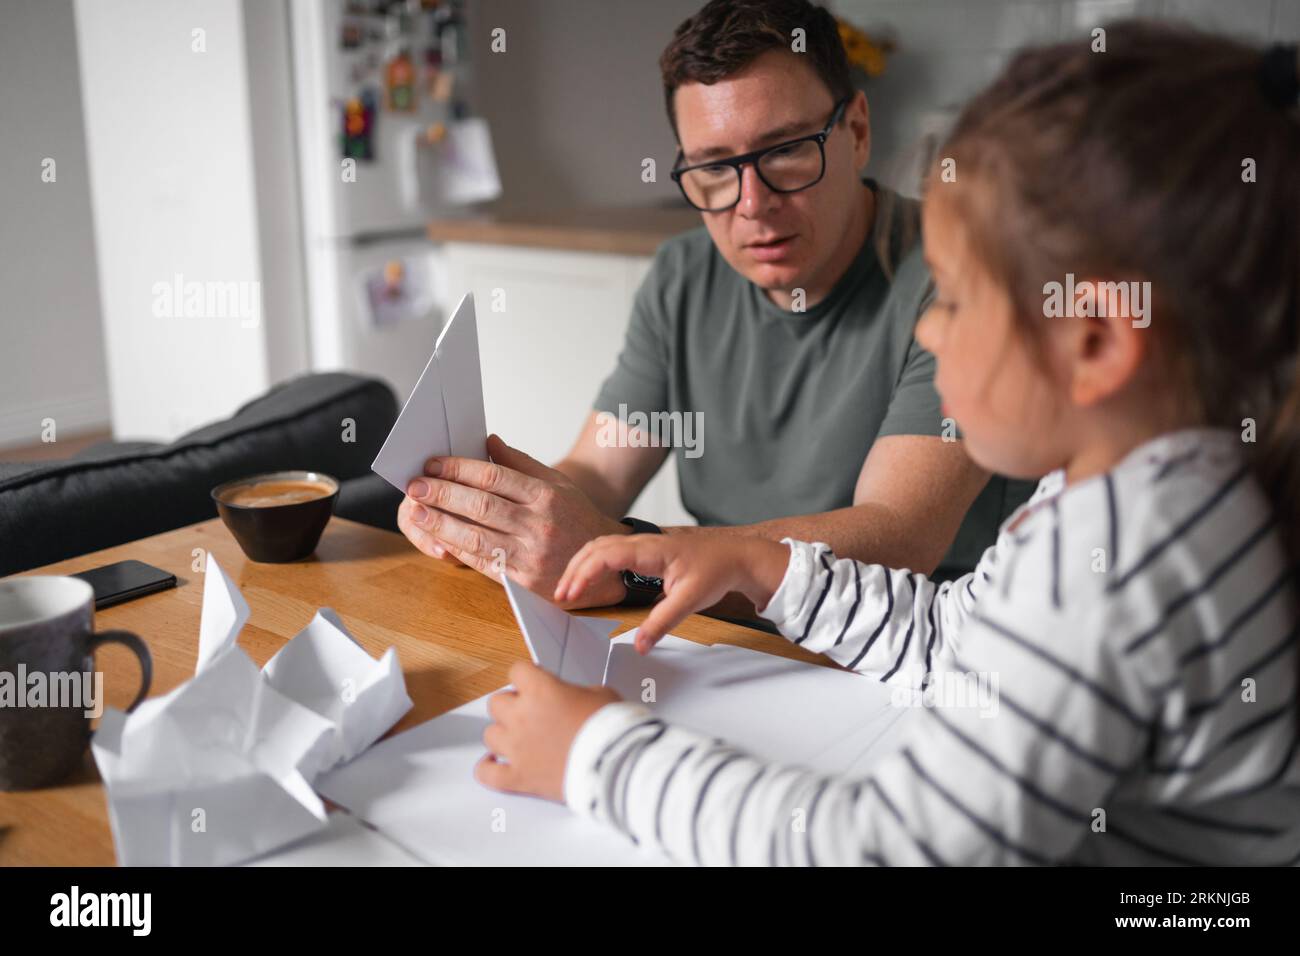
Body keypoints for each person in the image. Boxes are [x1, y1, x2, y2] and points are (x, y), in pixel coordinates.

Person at [474, 22, 1300, 865]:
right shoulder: (1130, 493)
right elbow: (953, 644)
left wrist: (595, 756)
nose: (931, 332)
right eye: (716, 168)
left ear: (1094, 343)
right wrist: (764, 568)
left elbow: (883, 849)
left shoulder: (1119, 554)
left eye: (956, 301)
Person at [397, 0, 1033, 614]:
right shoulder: (683, 276)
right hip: (726, 628)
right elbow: (596, 469)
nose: (751, 204)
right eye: (714, 169)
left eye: (785, 150)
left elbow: (897, 538)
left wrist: (626, 560)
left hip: (915, 645)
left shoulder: (952, 276)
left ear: (857, 131)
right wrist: (489, 518)